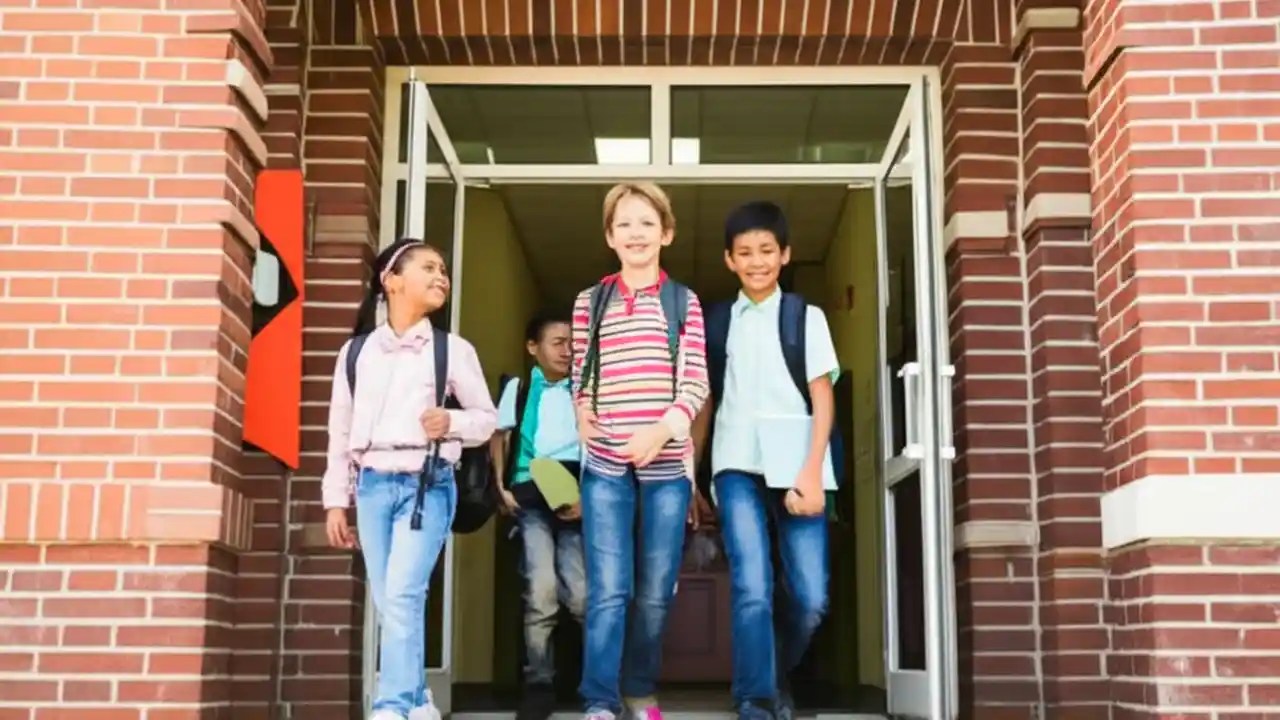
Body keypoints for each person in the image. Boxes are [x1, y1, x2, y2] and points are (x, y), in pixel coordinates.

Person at [323, 238, 498, 720]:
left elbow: (488, 418)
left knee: (400, 595)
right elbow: (339, 430)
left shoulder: (452, 350)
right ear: (391, 280)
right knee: (392, 599)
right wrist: (336, 500)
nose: (441, 276)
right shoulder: (356, 353)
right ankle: (419, 700)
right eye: (429, 267)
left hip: (428, 481)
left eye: (444, 269)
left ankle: (392, 705)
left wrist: (453, 423)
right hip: (373, 485)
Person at [571, 182, 709, 720]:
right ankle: (600, 700)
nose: (635, 233)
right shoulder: (590, 300)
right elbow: (583, 376)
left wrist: (659, 433)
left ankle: (638, 686)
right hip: (604, 464)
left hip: (665, 464)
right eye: (624, 223)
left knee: (655, 592)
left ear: (666, 233)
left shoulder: (683, 302)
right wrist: (583, 412)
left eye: (646, 223)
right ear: (610, 236)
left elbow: (694, 383)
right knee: (608, 590)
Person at [693, 201, 835, 720]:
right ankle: (754, 702)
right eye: (745, 253)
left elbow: (823, 398)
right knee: (751, 588)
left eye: (767, 251)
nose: (756, 262)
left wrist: (813, 472)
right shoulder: (716, 321)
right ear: (729, 260)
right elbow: (707, 402)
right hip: (735, 468)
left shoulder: (805, 316)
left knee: (810, 598)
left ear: (785, 254)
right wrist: (693, 475)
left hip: (798, 467)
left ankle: (773, 675)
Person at [491, 309, 587, 720]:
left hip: (577, 496)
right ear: (533, 347)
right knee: (541, 593)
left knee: (584, 597)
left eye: (572, 342)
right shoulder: (518, 387)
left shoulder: (586, 388)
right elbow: (500, 436)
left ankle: (595, 683)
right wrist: (500, 487)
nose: (567, 350)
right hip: (530, 497)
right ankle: (539, 684)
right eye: (557, 342)